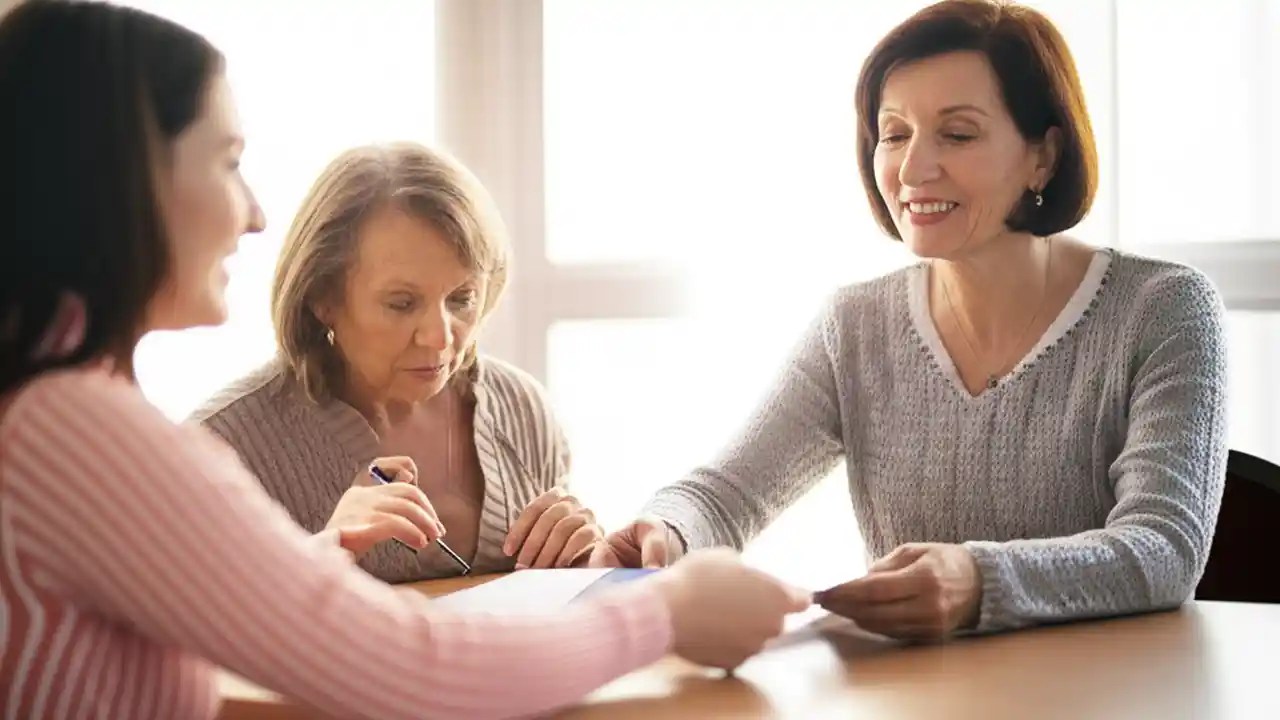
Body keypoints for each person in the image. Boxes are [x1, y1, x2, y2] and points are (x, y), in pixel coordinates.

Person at [0, 2, 808, 718]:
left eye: (460, 298)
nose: (254, 215)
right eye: (227, 160)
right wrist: (667, 610)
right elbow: (416, 671)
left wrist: (310, 560)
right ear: (125, 179)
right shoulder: (73, 424)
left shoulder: (51, 407)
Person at [594, 0, 1228, 640]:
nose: (913, 168)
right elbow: (726, 494)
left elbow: (1164, 547)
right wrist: (667, 529)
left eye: (957, 134)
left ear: (1043, 156)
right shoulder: (855, 325)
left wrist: (976, 581)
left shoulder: (1164, 309)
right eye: (894, 134)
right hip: (919, 695)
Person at [190, 142, 598, 582]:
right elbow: (186, 641)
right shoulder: (221, 447)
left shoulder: (521, 408)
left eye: (462, 299)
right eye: (402, 304)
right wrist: (320, 556)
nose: (440, 337)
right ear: (322, 298)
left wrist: (589, 562)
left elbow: (562, 607)